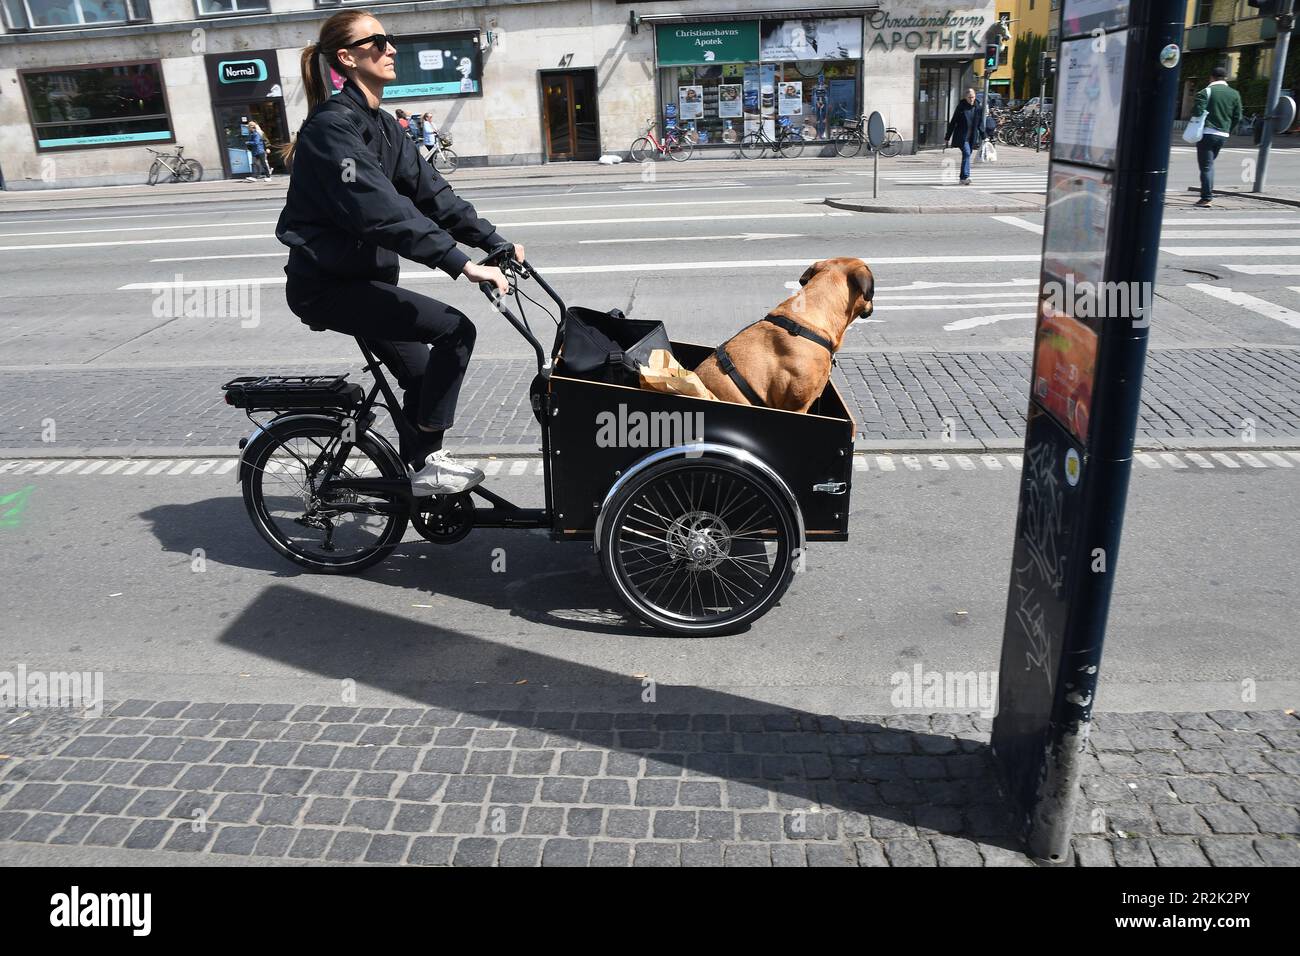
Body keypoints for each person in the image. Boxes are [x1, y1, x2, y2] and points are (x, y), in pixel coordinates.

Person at [275, 10, 523, 495]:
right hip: (327, 287)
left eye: (391, 40)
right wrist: (461, 263)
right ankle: (426, 462)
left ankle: (419, 466)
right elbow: (380, 210)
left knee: (424, 375)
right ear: (346, 58)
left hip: (365, 281)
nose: (390, 49)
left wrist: (492, 240)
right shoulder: (331, 130)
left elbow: (432, 194)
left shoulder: (385, 126)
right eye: (377, 42)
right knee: (455, 329)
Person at [1192, 65, 1243, 208]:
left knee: (1206, 167)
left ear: (1211, 77)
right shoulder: (1235, 94)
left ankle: (1206, 198)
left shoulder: (1206, 91)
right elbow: (1237, 116)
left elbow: (1196, 112)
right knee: (1210, 165)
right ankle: (1207, 194)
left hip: (1207, 133)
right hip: (1222, 135)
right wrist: (1227, 129)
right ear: (1225, 78)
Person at [945, 88, 983, 185]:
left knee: (967, 155)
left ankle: (962, 178)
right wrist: (947, 136)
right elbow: (953, 122)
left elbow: (980, 123)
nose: (971, 99)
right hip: (962, 136)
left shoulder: (977, 107)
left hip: (971, 137)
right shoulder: (961, 107)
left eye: (973, 97)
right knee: (966, 153)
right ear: (965, 97)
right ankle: (965, 176)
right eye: (969, 97)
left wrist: (984, 136)